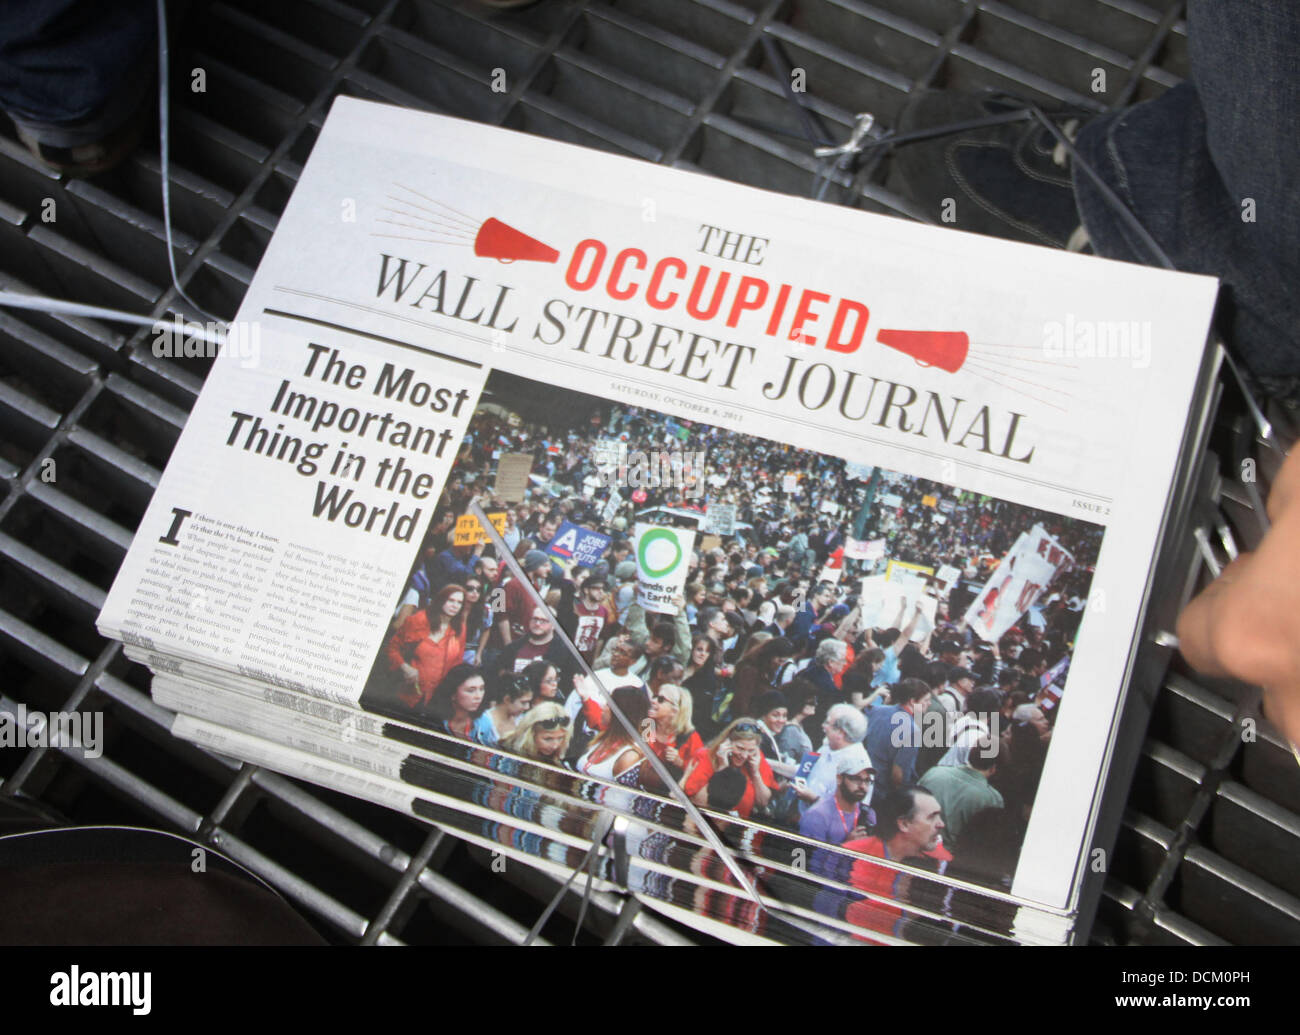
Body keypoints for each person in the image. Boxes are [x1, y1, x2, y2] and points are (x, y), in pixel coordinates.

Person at [840, 787, 951, 943]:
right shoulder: (852, 858)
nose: (941, 824)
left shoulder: (940, 862)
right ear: (904, 824)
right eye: (932, 817)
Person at [385, 583, 466, 710]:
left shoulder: (460, 628)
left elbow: (458, 662)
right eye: (451, 600)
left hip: (435, 699)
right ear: (441, 600)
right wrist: (405, 667)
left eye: (459, 602)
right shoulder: (418, 620)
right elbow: (391, 649)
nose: (455, 605)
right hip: (406, 693)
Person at [683, 719, 778, 820]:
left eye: (750, 750)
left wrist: (755, 773)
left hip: (738, 827)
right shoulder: (706, 756)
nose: (744, 756)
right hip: (705, 822)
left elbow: (762, 803)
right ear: (727, 742)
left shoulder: (756, 760)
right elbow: (697, 801)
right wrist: (722, 768)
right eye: (740, 748)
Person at [917, 740, 1004, 850]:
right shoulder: (992, 799)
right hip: (949, 858)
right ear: (993, 768)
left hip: (914, 845)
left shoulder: (935, 773)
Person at [796, 702, 870, 816]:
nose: (823, 725)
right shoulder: (828, 746)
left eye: (827, 722)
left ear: (840, 732)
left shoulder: (859, 766)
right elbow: (804, 769)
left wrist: (813, 799)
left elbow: (847, 814)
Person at [864, 676, 931, 798]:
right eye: (926, 700)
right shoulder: (912, 730)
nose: (929, 704)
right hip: (882, 793)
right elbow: (898, 776)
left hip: (864, 781)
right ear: (912, 701)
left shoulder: (876, 710)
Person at [798, 743, 874, 845]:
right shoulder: (817, 817)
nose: (863, 786)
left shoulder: (869, 816)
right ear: (839, 779)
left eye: (867, 781)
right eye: (856, 779)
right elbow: (809, 860)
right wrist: (846, 847)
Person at [573, 685, 648, 780]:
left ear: (619, 713)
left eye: (608, 704)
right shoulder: (602, 738)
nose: (603, 707)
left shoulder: (629, 757)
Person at [642, 683, 704, 773]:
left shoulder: (690, 738)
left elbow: (698, 773)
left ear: (675, 711)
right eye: (655, 696)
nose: (653, 701)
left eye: (661, 699)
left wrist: (680, 762)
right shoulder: (647, 722)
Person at [472, 672, 534, 747]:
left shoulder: (521, 719)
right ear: (507, 699)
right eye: (523, 703)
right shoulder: (482, 723)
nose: (527, 707)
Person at [428, 664, 486, 740]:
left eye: (481, 689)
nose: (478, 696)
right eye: (471, 690)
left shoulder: (484, 722)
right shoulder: (433, 722)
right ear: (453, 694)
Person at [504, 702, 571, 764]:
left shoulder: (557, 761)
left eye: (560, 738)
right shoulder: (505, 750)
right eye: (548, 739)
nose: (555, 746)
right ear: (531, 734)